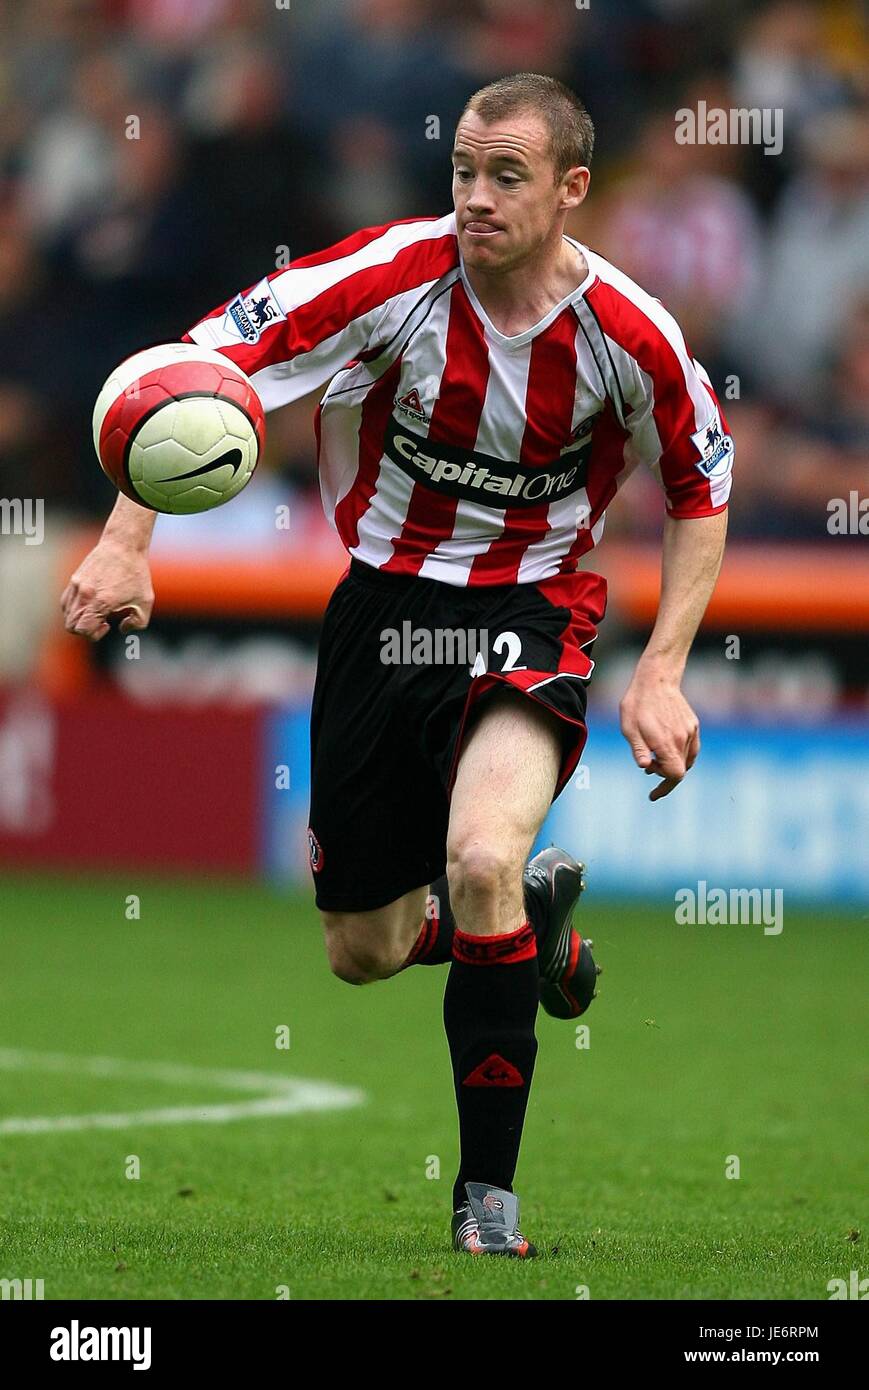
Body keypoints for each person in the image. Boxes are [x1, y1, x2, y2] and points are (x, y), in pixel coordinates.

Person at [61, 73, 733, 1258]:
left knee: (477, 855)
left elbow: (700, 488)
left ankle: (487, 1203)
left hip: (534, 610)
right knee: (360, 952)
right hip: (380, 616)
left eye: (506, 177)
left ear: (572, 190)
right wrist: (125, 541)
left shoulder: (631, 333)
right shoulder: (383, 275)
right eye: (463, 172)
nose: (474, 197)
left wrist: (661, 668)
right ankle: (525, 935)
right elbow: (195, 369)